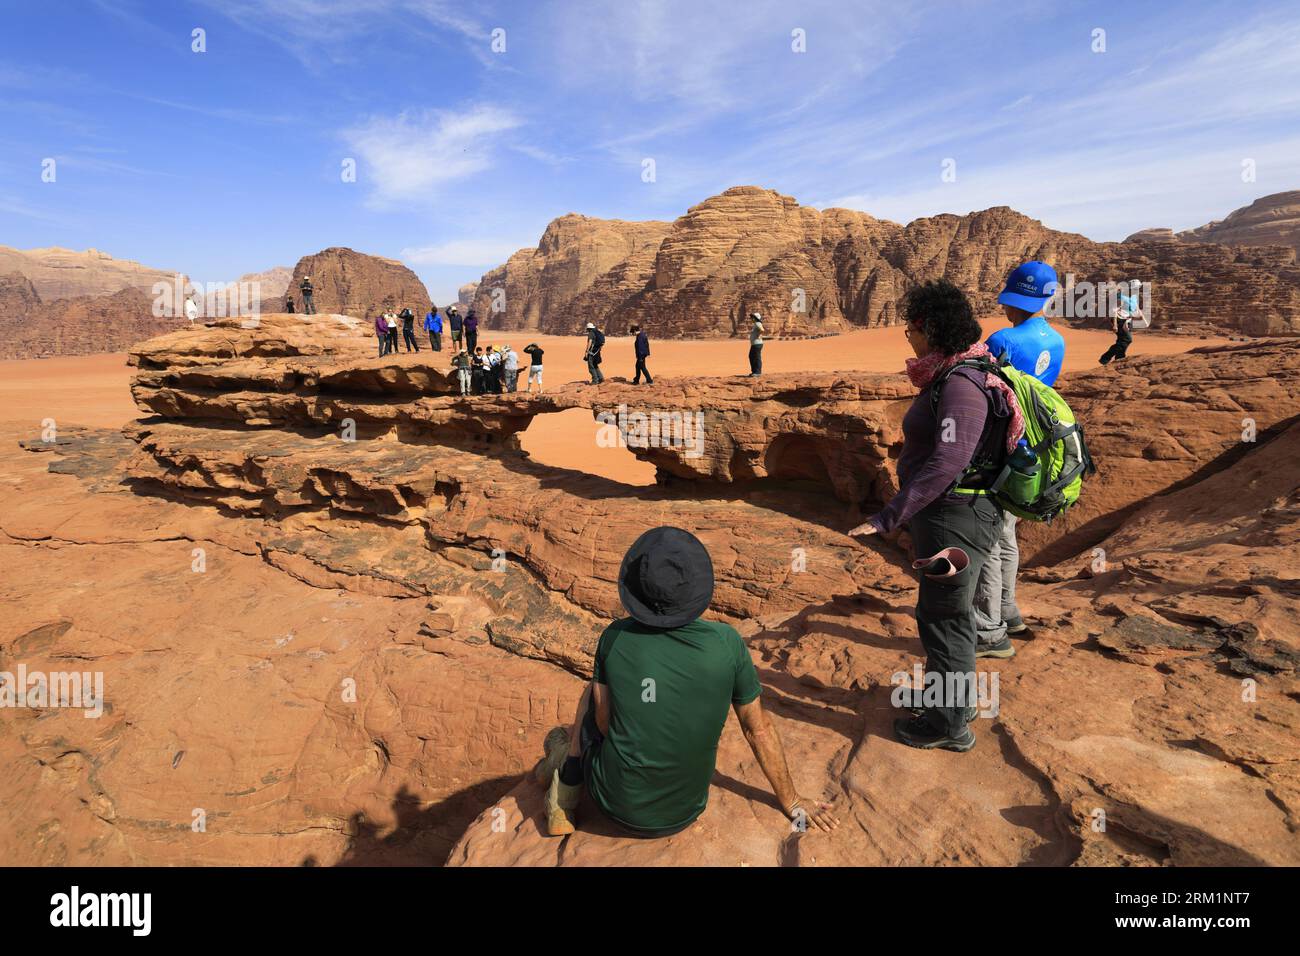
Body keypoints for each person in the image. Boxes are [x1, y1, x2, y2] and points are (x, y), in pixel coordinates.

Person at [540, 526, 840, 837]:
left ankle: (565, 792)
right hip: (685, 811)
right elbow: (758, 728)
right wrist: (791, 800)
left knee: (591, 693)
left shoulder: (615, 637)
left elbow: (602, 723)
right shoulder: (727, 642)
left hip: (615, 805)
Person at [849, 279, 1024, 753]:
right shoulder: (960, 371)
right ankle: (955, 700)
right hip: (956, 516)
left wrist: (891, 515)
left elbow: (949, 460)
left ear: (930, 327)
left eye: (911, 328)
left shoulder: (962, 383)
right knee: (948, 615)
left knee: (943, 618)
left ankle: (947, 726)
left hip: (955, 519)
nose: (907, 335)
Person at [976, 261, 1067, 659]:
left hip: (1001, 448)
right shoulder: (1059, 342)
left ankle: (989, 631)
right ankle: (1010, 611)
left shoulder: (1001, 340)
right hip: (1035, 451)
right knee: (1008, 533)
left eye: (1011, 302)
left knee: (989, 539)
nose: (1008, 309)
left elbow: (983, 392)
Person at [1099, 291, 1139, 365]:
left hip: (1126, 322)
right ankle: (1105, 358)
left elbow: (1133, 312)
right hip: (1119, 321)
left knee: (1122, 341)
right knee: (1127, 339)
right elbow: (1114, 312)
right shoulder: (1121, 297)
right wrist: (1115, 325)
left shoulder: (1132, 298)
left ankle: (1119, 358)